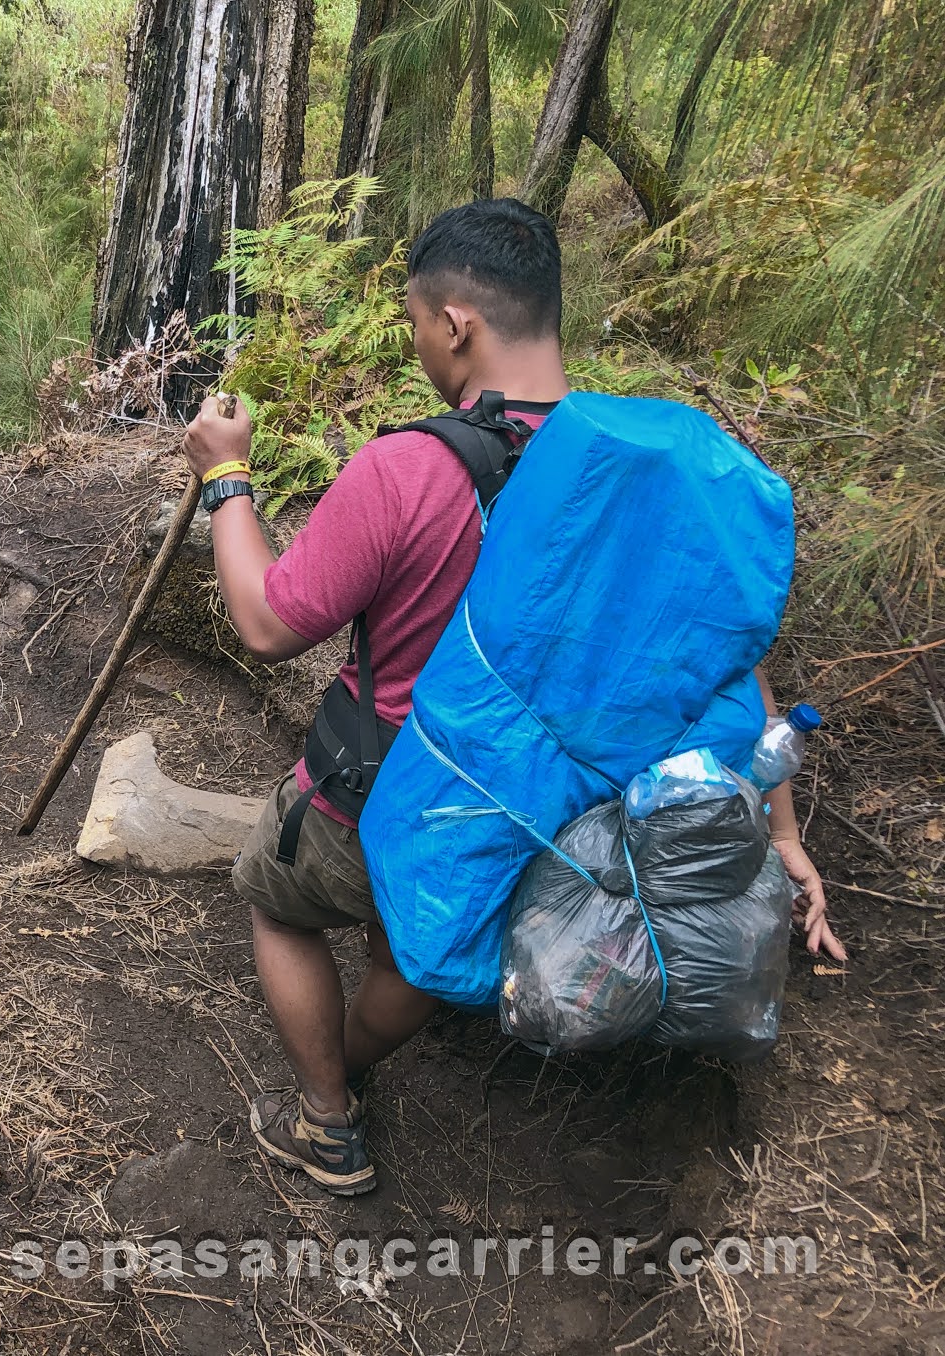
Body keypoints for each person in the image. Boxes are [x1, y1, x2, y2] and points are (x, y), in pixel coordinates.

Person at [180, 197, 846, 1196]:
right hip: (558, 824)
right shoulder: (641, 473)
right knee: (412, 945)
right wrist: (782, 833)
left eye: (413, 319)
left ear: (455, 322)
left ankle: (327, 1115)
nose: (414, 341)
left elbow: (271, 625)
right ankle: (370, 1034)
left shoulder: (405, 467)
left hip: (387, 791)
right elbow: (727, 657)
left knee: (276, 902)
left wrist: (227, 477)